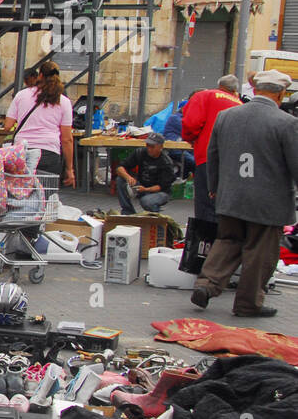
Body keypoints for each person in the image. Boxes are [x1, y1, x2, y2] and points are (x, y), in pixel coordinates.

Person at [191, 69, 298, 318]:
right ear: (281, 93)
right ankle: (248, 304)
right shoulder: (287, 123)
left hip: (231, 195)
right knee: (259, 252)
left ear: (256, 90)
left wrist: (214, 188)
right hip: (267, 202)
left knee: (227, 242)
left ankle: (206, 285)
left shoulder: (226, 116)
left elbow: (213, 155)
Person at [181, 74, 243, 224]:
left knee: (205, 204)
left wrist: (191, 139)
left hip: (208, 157)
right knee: (224, 205)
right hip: (234, 162)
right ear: (235, 91)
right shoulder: (240, 104)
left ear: (219, 86)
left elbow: (190, 123)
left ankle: (206, 243)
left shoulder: (204, 95)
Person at [3, 59, 75, 186]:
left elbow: (7, 126)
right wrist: (69, 169)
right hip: (49, 153)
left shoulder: (21, 95)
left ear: (40, 75)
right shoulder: (64, 101)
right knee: (45, 197)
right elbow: (67, 139)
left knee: (19, 195)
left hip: (22, 152)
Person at [115, 132, 175, 215]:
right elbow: (119, 167)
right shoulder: (140, 152)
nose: (149, 149)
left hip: (160, 192)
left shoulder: (166, 163)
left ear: (161, 147)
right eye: (147, 145)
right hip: (141, 186)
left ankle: (155, 218)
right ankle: (128, 212)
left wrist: (146, 189)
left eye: (152, 147)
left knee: (146, 201)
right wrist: (128, 177)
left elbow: (161, 186)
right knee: (120, 179)